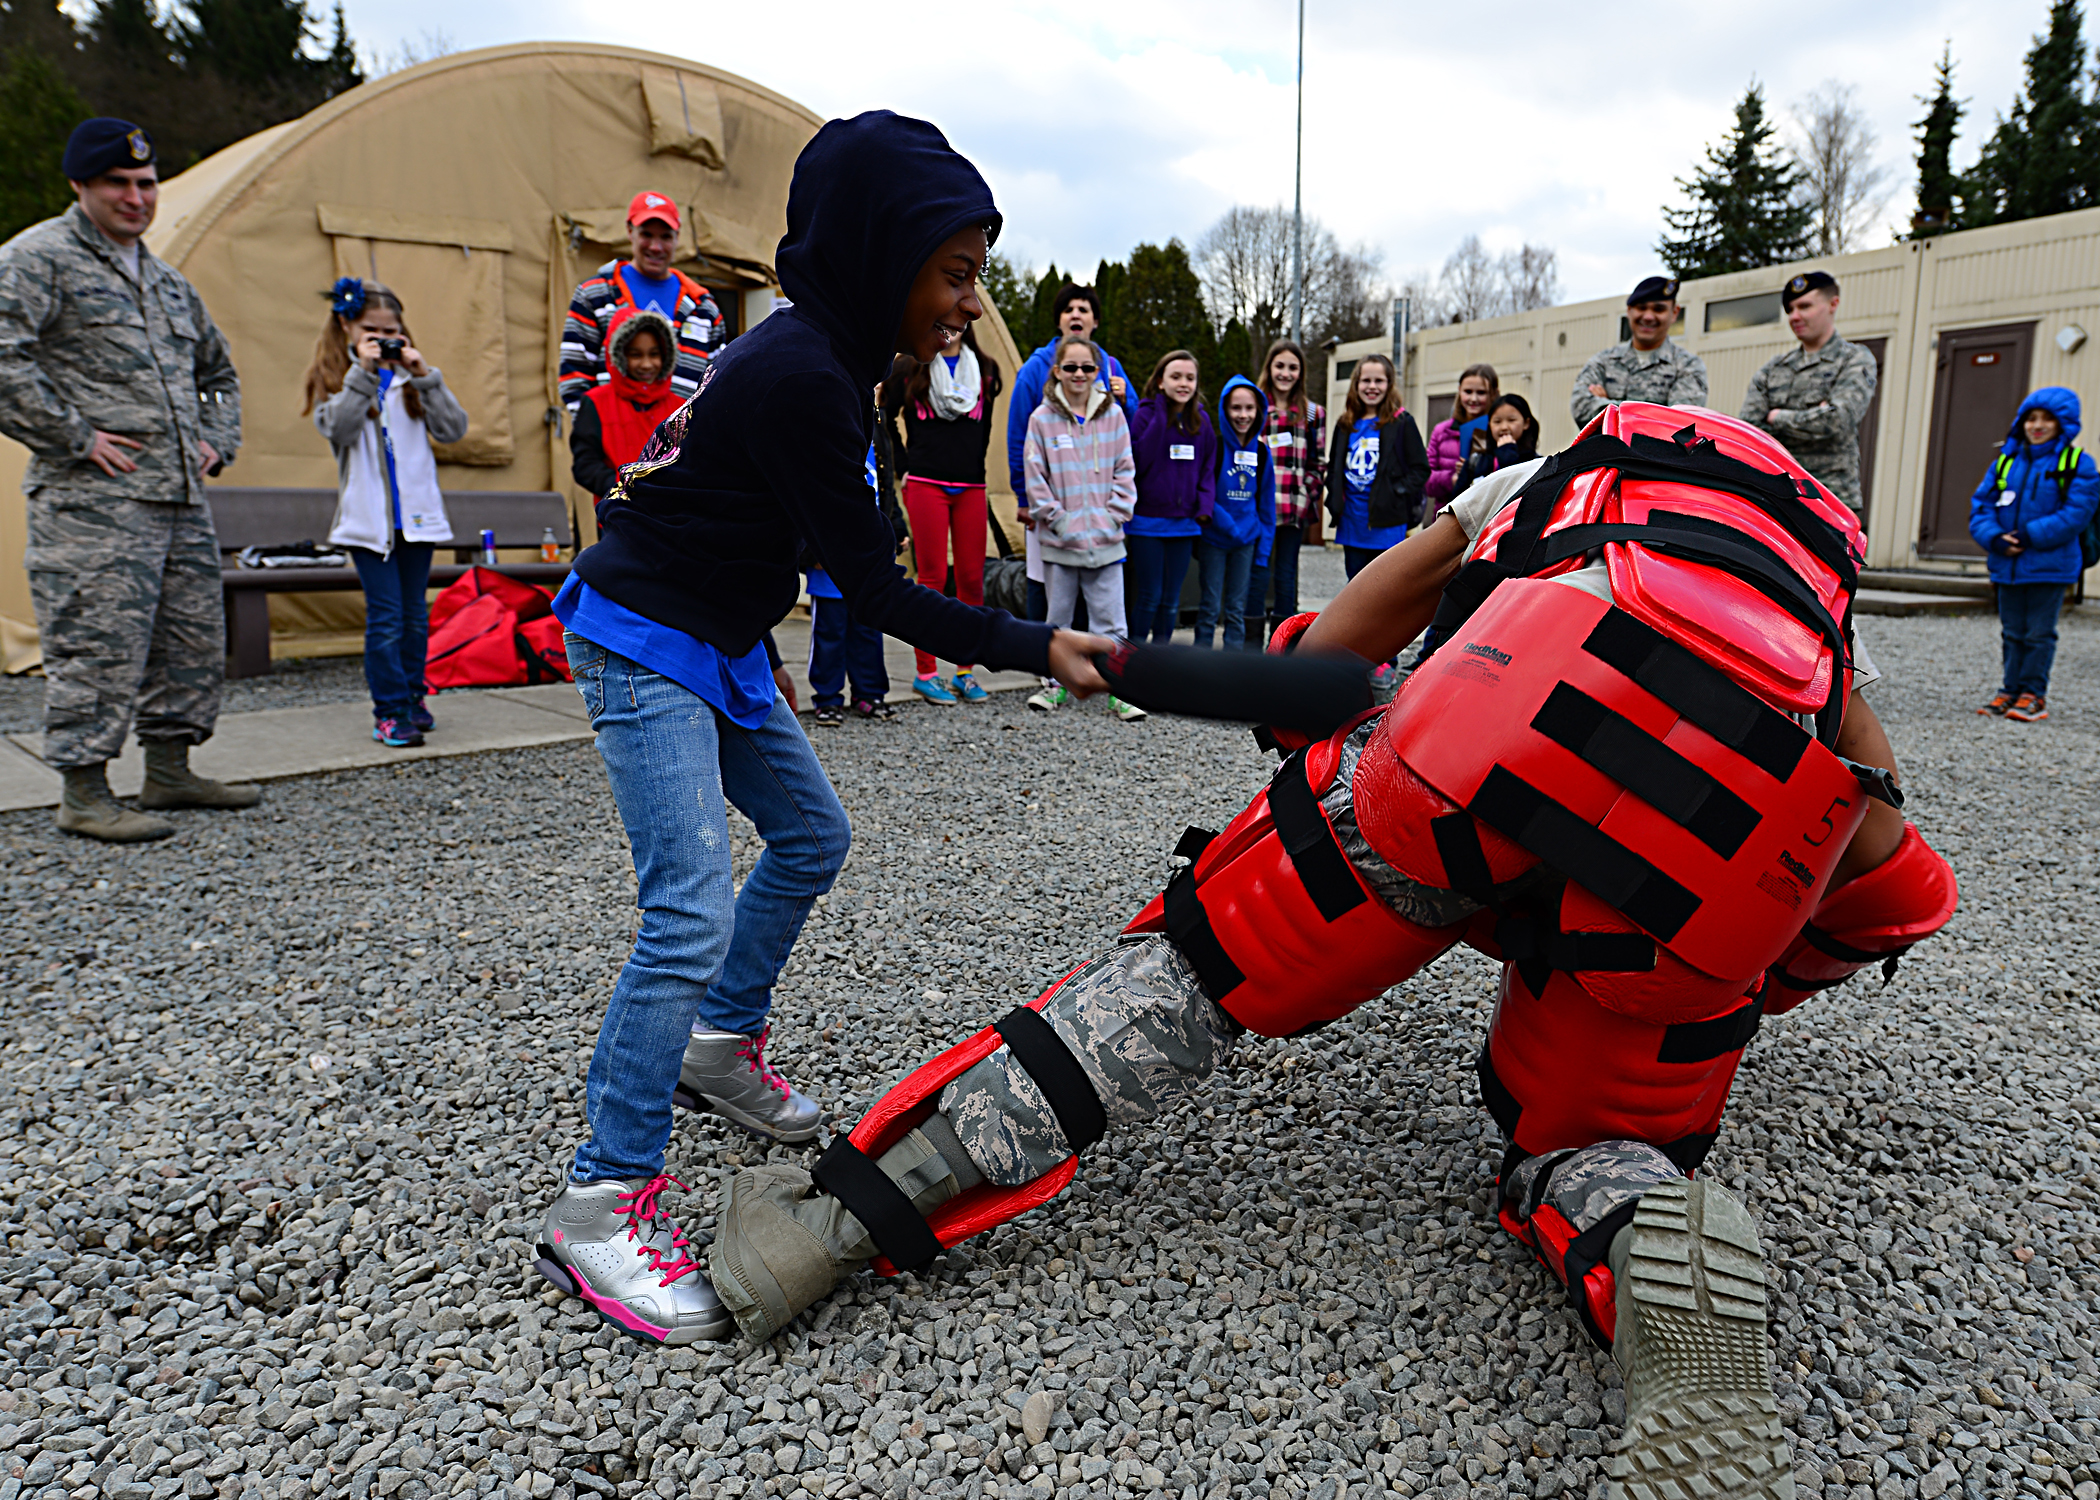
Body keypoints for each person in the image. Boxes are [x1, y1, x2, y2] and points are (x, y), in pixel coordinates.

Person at [700, 403, 1959, 1500]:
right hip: (1687, 878)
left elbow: (1335, 647)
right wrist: (1748, 983)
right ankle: (1645, 1243)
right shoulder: (1813, 593)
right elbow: (1884, 860)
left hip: (1465, 772)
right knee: (1596, 1135)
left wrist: (1314, 740)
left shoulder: (1547, 484)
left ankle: (833, 1222)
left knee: (1185, 982)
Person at [529, 111, 1112, 1345]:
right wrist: (1039, 645)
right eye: (954, 274)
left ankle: (717, 1044)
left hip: (719, 633)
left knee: (809, 833)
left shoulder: (837, 363)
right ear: (878, 256)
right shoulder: (803, 374)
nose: (969, 302)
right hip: (645, 635)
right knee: (686, 907)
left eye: (975, 275)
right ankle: (602, 1201)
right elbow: (881, 595)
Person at [0, 117, 258, 843]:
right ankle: (84, 792)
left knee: (189, 641)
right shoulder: (38, 259)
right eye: (117, 182)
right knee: (98, 643)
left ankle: (169, 771)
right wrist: (75, 436)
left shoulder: (167, 282)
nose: (136, 198)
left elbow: (218, 373)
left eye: (146, 183)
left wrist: (216, 440)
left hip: (178, 500)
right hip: (92, 504)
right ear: (79, 184)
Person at [305, 277, 471, 748]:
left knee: (415, 615)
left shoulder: (411, 381)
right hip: (369, 525)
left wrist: (425, 376)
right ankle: (389, 709)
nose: (383, 340)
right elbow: (339, 428)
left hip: (416, 521)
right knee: (386, 618)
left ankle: (414, 697)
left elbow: (454, 429)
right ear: (347, 327)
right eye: (371, 331)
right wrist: (362, 373)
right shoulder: (338, 380)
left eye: (391, 331)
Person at [1022, 334, 1142, 722]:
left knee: (1112, 623)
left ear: (1097, 371)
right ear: (1057, 371)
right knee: (1057, 620)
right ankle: (1053, 685)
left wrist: (1112, 517)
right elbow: (1035, 478)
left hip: (1106, 541)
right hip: (1060, 542)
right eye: (1071, 367)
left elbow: (1125, 470)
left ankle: (1119, 689)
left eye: (1087, 367)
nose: (1079, 374)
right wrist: (1060, 521)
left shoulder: (1114, 416)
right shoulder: (1041, 419)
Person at [885, 322, 1002, 704]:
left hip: (971, 485)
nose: (954, 323)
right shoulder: (909, 365)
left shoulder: (986, 368)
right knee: (931, 578)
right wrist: (903, 466)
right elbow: (884, 417)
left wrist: (974, 467)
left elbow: (984, 430)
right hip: (926, 483)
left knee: (971, 579)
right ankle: (926, 672)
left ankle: (965, 671)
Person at [1967, 386, 2097, 722]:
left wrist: (2029, 535)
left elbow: (2076, 513)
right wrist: (1995, 538)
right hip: (2007, 564)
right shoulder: (2005, 463)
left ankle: (2033, 694)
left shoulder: (2077, 464)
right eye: (2031, 419)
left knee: (2038, 633)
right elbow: (1981, 507)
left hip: (2050, 566)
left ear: (2063, 424)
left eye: (2046, 419)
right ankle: (2009, 690)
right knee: (2012, 632)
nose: (2037, 426)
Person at [557, 191, 726, 409]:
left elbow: (716, 385)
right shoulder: (595, 295)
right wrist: (594, 427)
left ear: (677, 237)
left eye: (665, 236)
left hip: (684, 431)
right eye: (646, 234)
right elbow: (574, 377)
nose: (655, 246)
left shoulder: (703, 309)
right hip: (614, 428)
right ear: (630, 231)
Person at [1739, 271, 1880, 518]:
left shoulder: (1855, 359)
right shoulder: (1774, 369)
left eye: (1805, 306)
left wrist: (1777, 417)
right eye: (1790, 309)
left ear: (1833, 304)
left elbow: (1837, 420)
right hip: (1777, 495)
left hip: (1831, 501)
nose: (1794, 316)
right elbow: (1750, 429)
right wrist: (1814, 415)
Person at [1323, 355, 1428, 667]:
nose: (1372, 386)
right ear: (1356, 384)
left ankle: (1385, 662)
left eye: (1378, 380)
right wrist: (1334, 497)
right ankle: (1356, 657)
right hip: (1352, 524)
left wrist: (1394, 493)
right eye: (1365, 380)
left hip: (1386, 526)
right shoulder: (1345, 424)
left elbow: (1420, 469)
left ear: (1389, 384)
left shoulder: (1401, 422)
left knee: (1386, 597)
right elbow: (1334, 467)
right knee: (1355, 596)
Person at [1125, 351, 1216, 644]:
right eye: (1176, 377)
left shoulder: (1201, 421)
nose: (1183, 384)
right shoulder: (1145, 415)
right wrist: (1161, 414)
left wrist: (1203, 508)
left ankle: (1160, 657)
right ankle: (1134, 655)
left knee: (1170, 600)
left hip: (1184, 525)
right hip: (1146, 524)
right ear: (1160, 382)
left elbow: (1207, 469)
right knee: (1149, 596)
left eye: (1190, 378)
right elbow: (1139, 462)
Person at [1194, 376, 1275, 650]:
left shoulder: (1262, 453)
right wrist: (1229, 525)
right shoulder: (1215, 447)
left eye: (1249, 408)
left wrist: (1262, 552)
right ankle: (1200, 663)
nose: (1243, 415)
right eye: (1236, 408)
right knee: (1209, 606)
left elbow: (1266, 506)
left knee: (1236, 609)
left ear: (1258, 411)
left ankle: (1233, 664)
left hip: (1246, 544)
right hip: (1214, 540)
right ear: (1224, 410)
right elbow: (1204, 493)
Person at [569, 306, 679, 506]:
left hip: (670, 515)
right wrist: (626, 489)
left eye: (654, 354)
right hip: (617, 513)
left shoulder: (681, 407)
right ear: (619, 356)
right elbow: (585, 466)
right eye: (636, 355)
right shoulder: (596, 403)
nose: (646, 364)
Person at [1254, 339, 1324, 643]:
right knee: (1258, 574)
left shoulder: (1311, 413)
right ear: (1269, 368)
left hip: (1293, 507)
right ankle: (1249, 643)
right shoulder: (1256, 407)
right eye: (1279, 366)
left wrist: (1307, 493)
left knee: (1285, 576)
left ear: (1301, 372)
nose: (1285, 373)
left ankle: (1280, 643)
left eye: (1292, 367)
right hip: (1260, 508)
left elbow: (1318, 462)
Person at [1570, 276, 1707, 427]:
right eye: (1641, 308)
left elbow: (1679, 422)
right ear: (1629, 311)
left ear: (1674, 313)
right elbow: (1580, 408)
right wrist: (1655, 413)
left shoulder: (1688, 366)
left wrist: (1609, 409)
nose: (1648, 317)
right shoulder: (1603, 362)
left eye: (1658, 309)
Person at [1423, 363, 1497, 523]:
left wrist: (1482, 468)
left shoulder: (1500, 432)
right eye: (1468, 392)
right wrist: (1453, 479)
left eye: (1481, 393)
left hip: (1488, 519)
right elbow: (1426, 481)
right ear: (1459, 391)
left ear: (1493, 394)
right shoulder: (1442, 431)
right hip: (1447, 518)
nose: (1473, 399)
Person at [1451, 391, 1541, 497]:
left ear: (1526, 423)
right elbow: (1457, 500)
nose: (1504, 427)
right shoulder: (1476, 461)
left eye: (1511, 420)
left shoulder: (1537, 463)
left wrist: (1507, 454)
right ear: (1489, 425)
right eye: (1497, 421)